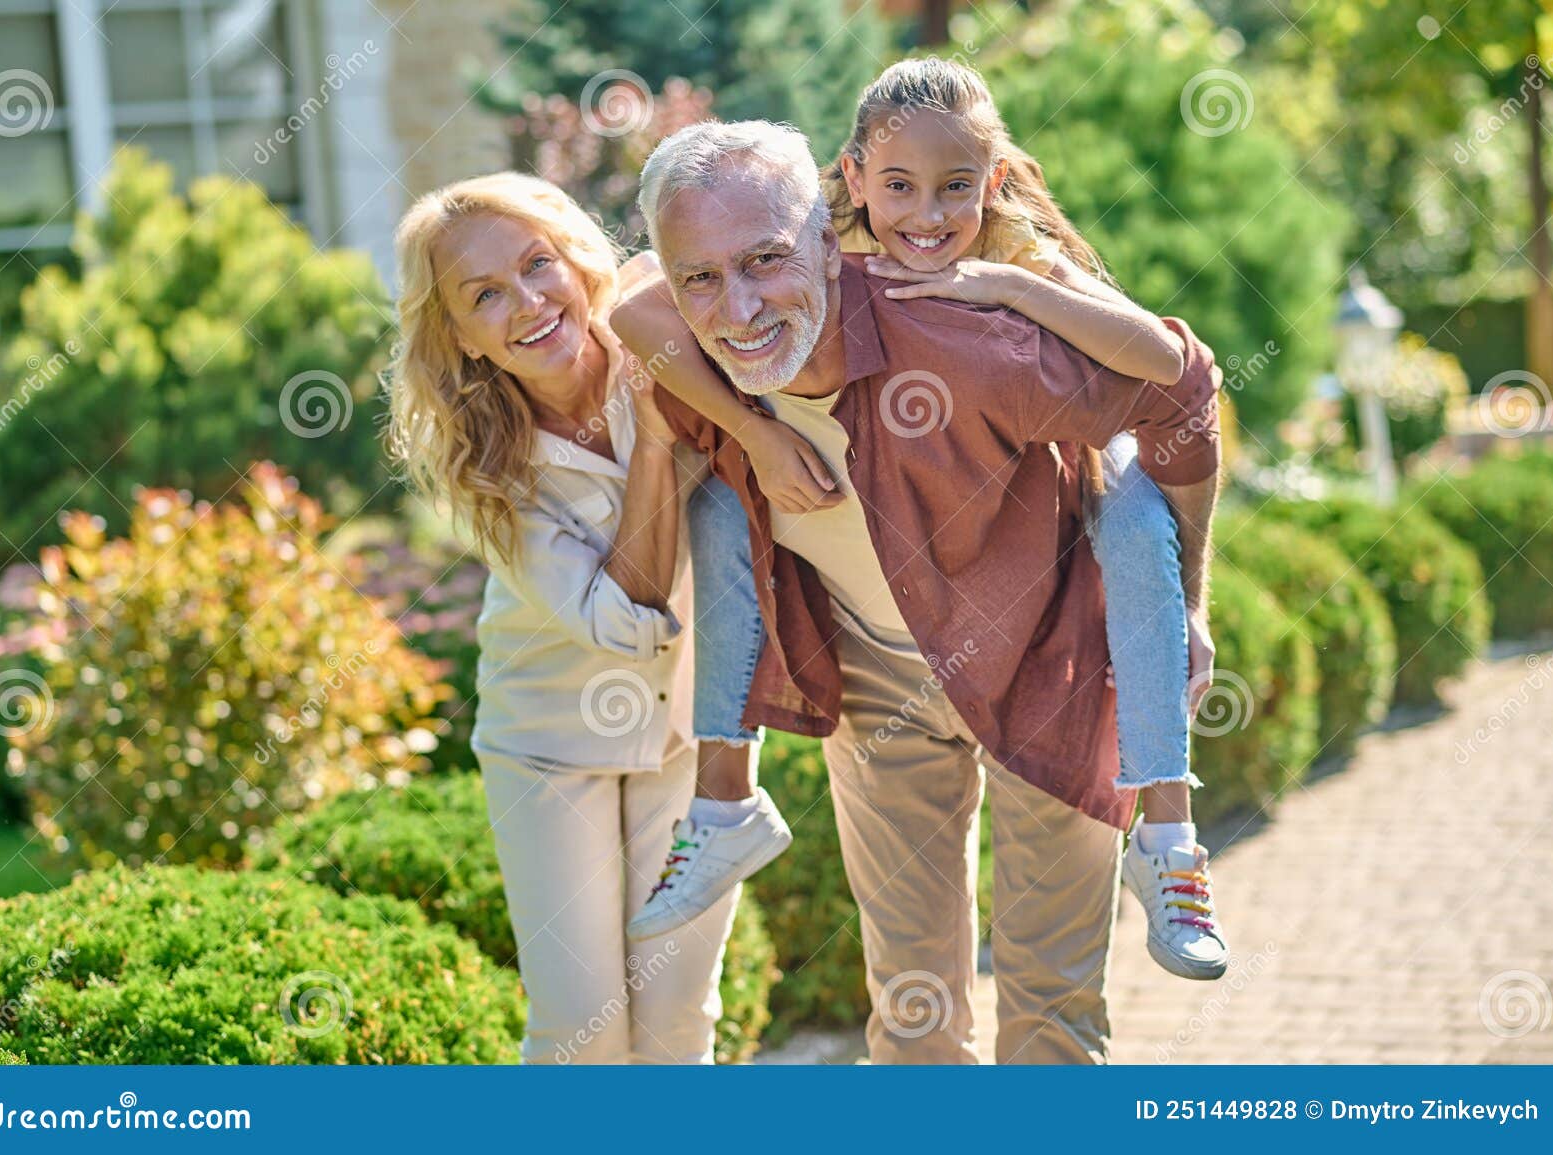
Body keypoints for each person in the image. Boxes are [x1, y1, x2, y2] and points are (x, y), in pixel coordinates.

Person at [616, 58, 1227, 985]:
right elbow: (637, 311)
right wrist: (754, 433)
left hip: (1041, 655)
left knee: (1050, 998)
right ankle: (722, 798)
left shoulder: (981, 316)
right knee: (911, 1001)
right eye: (702, 277)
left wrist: (1190, 604)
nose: (736, 308)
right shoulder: (716, 340)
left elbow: (1178, 382)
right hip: (879, 683)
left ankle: (1170, 825)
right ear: (854, 185)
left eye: (765, 262)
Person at [383, 172, 737, 1063]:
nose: (529, 303)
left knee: (677, 1020)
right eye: (485, 295)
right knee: (581, 1030)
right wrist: (658, 439)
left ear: (579, 261)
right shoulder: (481, 463)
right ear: (459, 337)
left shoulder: (665, 337)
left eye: (539, 265)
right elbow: (623, 622)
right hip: (546, 746)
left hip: (694, 730)